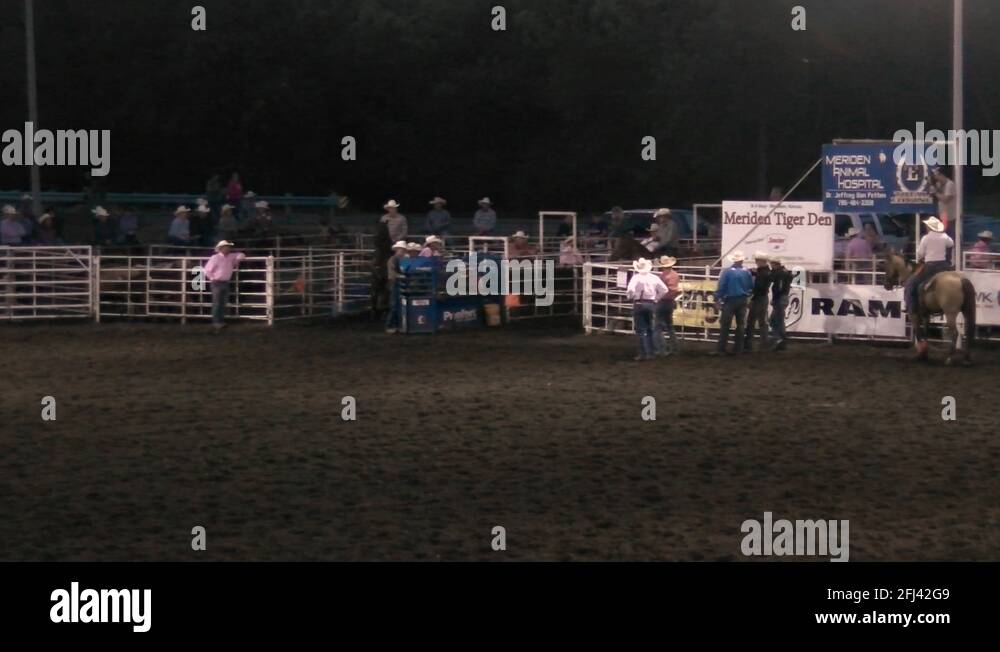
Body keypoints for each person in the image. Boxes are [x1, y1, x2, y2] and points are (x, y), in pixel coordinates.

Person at [905, 216, 953, 315]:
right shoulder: (944, 236)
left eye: (927, 225)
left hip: (930, 266)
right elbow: (951, 244)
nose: (926, 227)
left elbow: (920, 253)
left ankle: (911, 308)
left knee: (911, 283)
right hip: (944, 266)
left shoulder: (926, 238)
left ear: (930, 227)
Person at [626, 258, 668, 361]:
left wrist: (630, 296)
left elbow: (631, 290)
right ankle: (651, 353)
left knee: (641, 330)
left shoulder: (636, 278)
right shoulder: (654, 277)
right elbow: (664, 290)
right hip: (651, 304)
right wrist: (656, 299)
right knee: (650, 328)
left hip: (639, 304)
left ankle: (643, 353)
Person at [712, 251, 753, 356]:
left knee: (725, 325)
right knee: (741, 325)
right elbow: (750, 286)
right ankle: (738, 348)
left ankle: (721, 349)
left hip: (730, 300)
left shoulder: (728, 272)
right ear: (742, 260)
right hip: (743, 299)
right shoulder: (747, 272)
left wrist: (717, 298)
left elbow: (722, 286)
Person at [203, 240, 246, 332]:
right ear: (221, 248)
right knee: (218, 303)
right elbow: (207, 270)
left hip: (225, 281)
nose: (228, 248)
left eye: (228, 247)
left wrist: (238, 259)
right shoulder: (215, 258)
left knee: (222, 303)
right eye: (226, 246)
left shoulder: (230, 256)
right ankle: (217, 322)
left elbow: (241, 254)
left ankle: (220, 321)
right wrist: (212, 278)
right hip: (217, 282)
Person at [743, 251, 772, 352]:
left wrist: (752, 298)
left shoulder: (762, 273)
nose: (756, 262)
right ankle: (764, 343)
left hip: (758, 298)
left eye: (757, 260)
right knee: (762, 322)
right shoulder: (766, 272)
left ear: (761, 261)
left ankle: (749, 344)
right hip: (762, 298)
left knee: (752, 321)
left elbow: (759, 288)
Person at [653, 255, 681, 356]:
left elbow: (659, 289)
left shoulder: (662, 276)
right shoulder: (675, 275)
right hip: (671, 301)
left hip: (662, 301)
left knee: (657, 327)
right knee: (670, 326)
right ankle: (674, 348)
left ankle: (661, 349)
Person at [768, 255, 793, 351]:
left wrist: (775, 298)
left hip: (780, 299)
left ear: (775, 264)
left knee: (774, 320)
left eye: (771, 264)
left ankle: (779, 339)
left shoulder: (779, 274)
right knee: (779, 320)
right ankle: (781, 340)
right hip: (784, 297)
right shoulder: (785, 272)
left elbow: (779, 287)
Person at [385, 241, 408, 333]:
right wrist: (401, 276)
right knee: (394, 304)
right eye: (401, 250)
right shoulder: (393, 260)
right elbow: (392, 274)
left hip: (399, 282)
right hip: (394, 283)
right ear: (397, 250)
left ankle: (397, 325)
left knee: (398, 305)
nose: (402, 252)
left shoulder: (400, 260)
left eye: (403, 250)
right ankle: (390, 325)